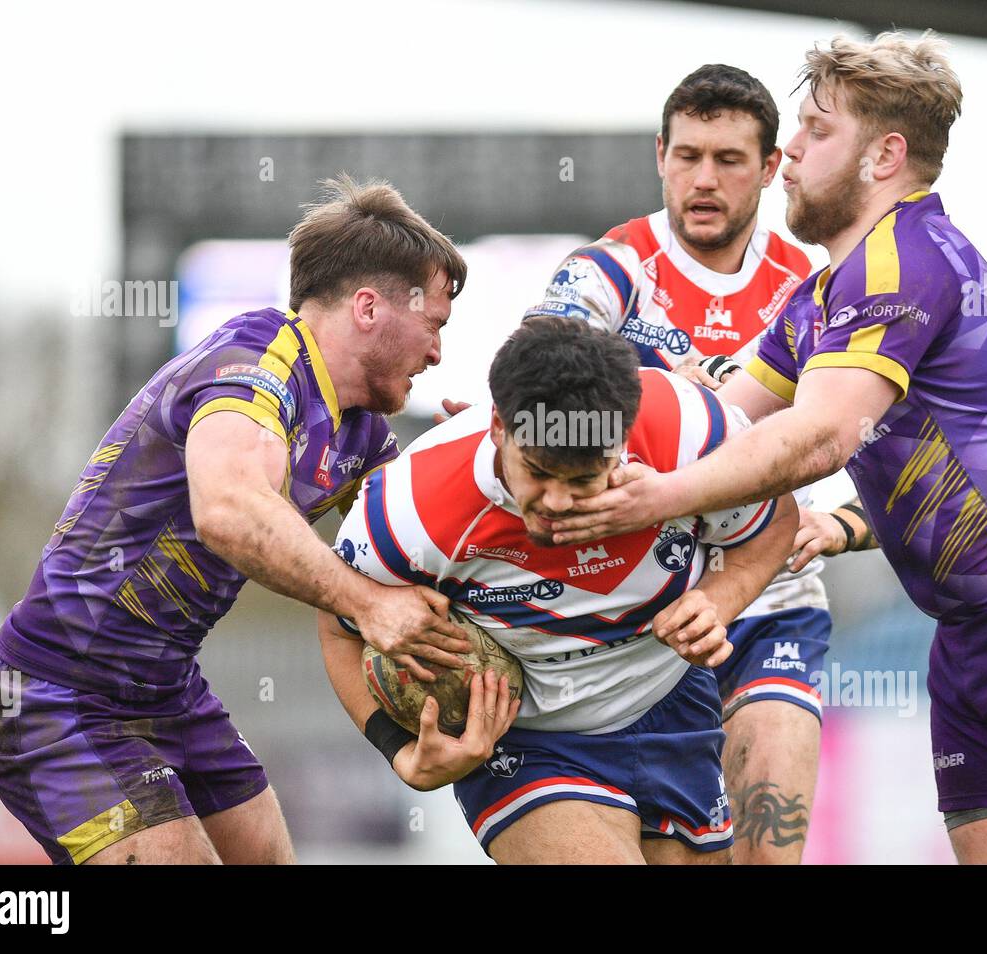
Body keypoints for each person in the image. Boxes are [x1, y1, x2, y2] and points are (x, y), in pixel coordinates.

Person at [547, 32, 987, 865]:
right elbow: (710, 421)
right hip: (969, 636)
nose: (788, 156)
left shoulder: (903, 256)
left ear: (885, 155)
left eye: (817, 132)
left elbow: (820, 436)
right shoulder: (819, 298)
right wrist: (541, 426)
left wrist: (657, 499)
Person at [0, 176, 476, 865]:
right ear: (368, 308)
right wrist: (369, 602)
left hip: (167, 692)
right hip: (54, 696)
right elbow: (230, 511)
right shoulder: (256, 361)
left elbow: (404, 562)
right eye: (436, 325)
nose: (438, 354)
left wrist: (488, 463)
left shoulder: (359, 433)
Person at [319, 318, 799, 864]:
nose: (558, 503)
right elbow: (338, 624)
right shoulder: (407, 510)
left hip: (673, 702)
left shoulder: (694, 431)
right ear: (498, 426)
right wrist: (398, 748)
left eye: (582, 479)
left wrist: (719, 597)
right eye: (539, 472)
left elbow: (773, 519)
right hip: (527, 740)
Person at [523, 64, 829, 863]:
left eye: (729, 160)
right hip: (633, 603)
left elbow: (871, 429)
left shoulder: (811, 290)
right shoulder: (613, 265)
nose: (703, 179)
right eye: (686, 155)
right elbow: (538, 358)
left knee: (770, 849)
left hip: (767, 587)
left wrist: (850, 521)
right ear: (660, 154)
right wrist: (657, 389)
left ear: (768, 169)